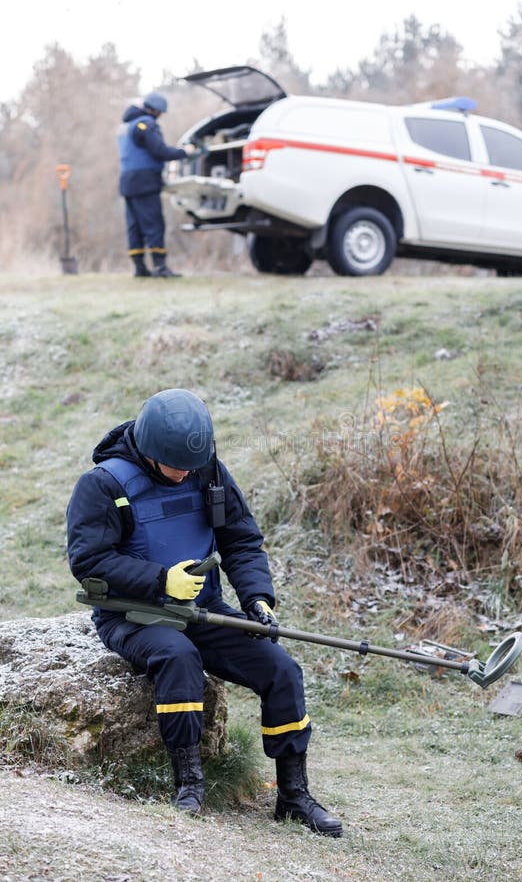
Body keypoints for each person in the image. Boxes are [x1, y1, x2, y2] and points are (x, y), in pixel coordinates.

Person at [66, 388, 342, 837]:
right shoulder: (102, 485)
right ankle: (190, 784)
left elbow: (241, 540)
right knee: (178, 657)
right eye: (175, 466)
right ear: (150, 450)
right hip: (133, 615)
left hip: (205, 609)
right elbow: (88, 561)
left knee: (282, 669)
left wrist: (258, 599)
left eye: (190, 466)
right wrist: (160, 580)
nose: (183, 475)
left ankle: (293, 796)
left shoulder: (207, 472)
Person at [118, 92, 196, 278]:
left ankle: (139, 268)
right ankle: (161, 268)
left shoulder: (126, 126)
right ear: (155, 110)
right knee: (153, 223)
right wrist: (185, 152)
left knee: (134, 225)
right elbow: (159, 151)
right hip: (145, 181)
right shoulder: (146, 124)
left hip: (128, 181)